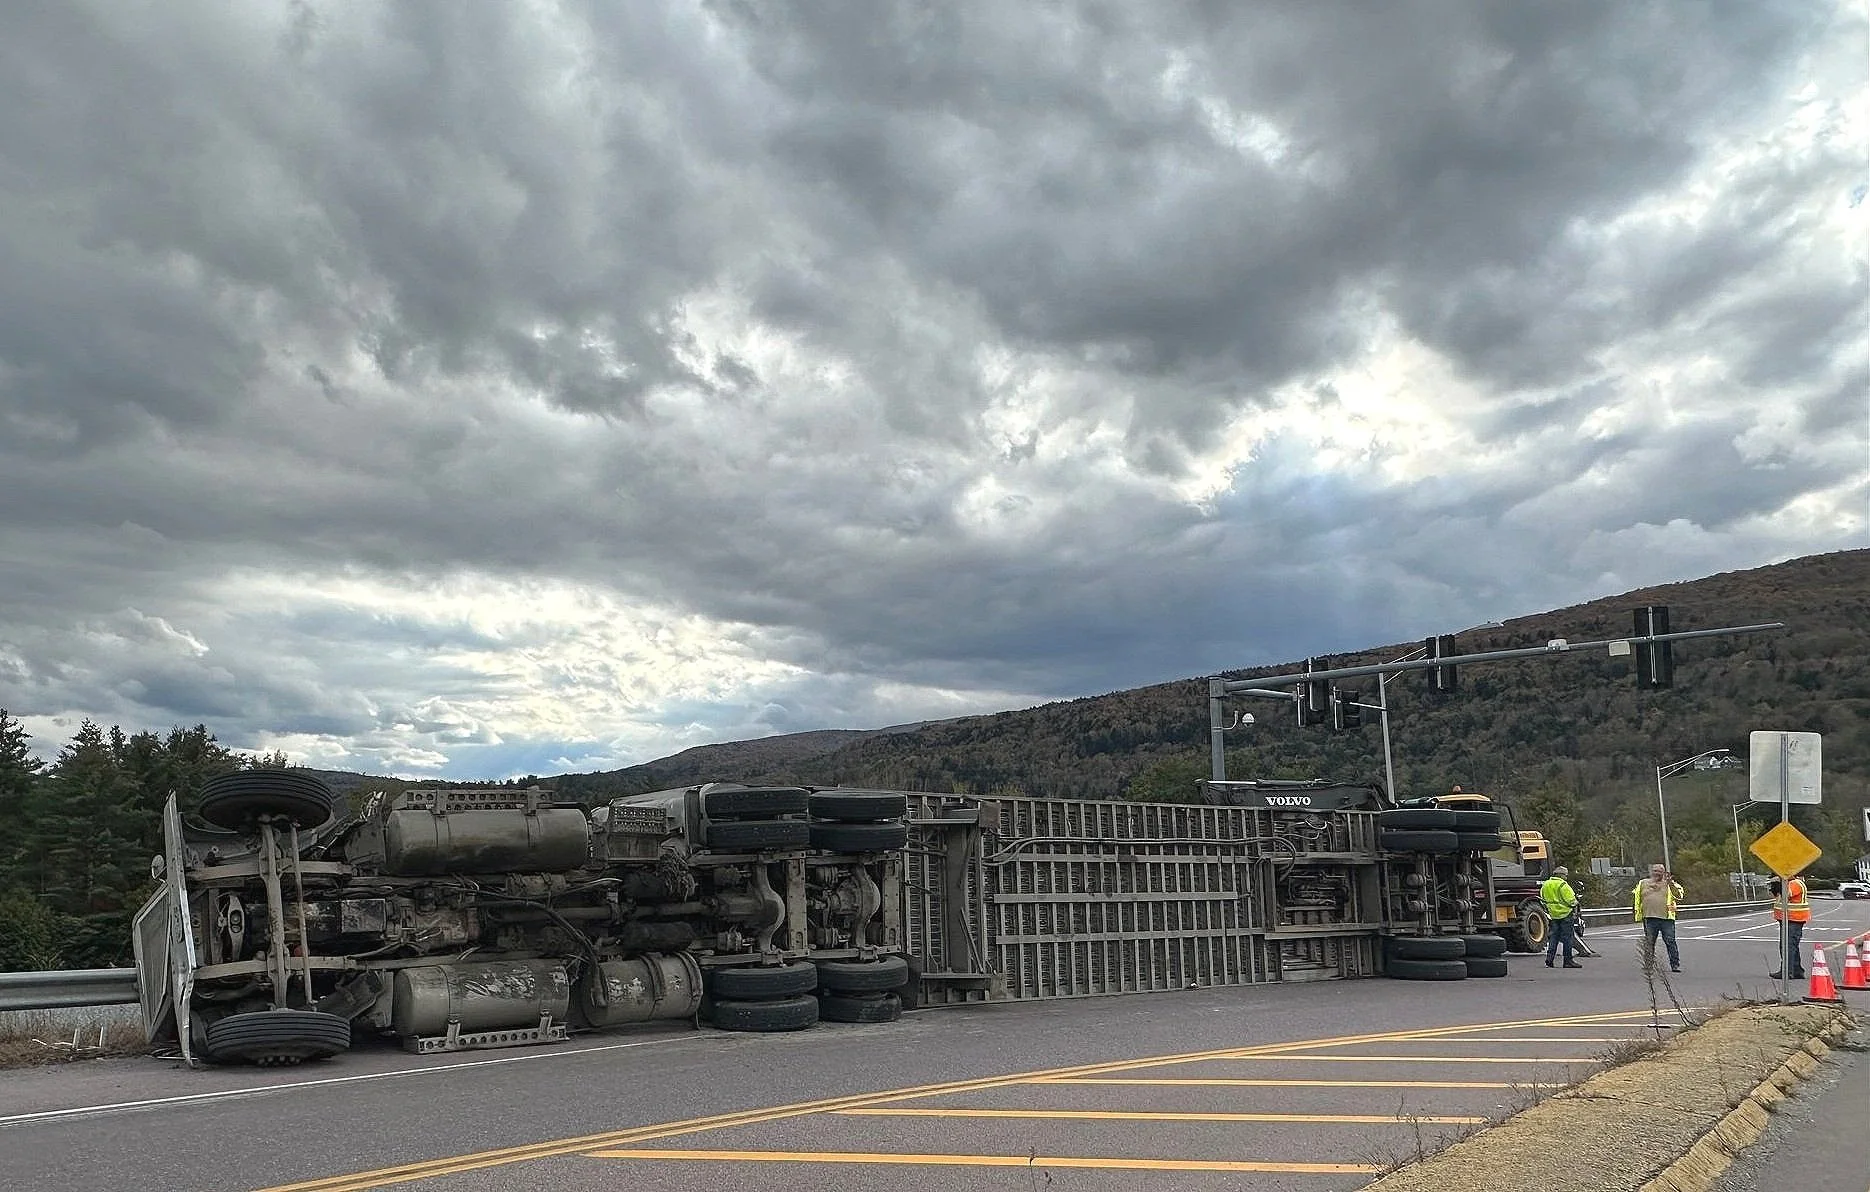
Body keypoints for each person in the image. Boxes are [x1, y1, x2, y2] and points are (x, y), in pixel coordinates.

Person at [1633, 863, 1684, 973]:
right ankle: (1648, 964)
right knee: (1649, 942)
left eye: (1659, 871)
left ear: (1664, 873)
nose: (1657, 873)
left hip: (1666, 918)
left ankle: (1675, 964)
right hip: (1649, 917)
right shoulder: (1643, 883)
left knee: (1670, 941)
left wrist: (1670, 883)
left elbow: (1679, 896)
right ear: (1651, 872)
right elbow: (1637, 898)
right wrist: (1638, 913)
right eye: (1655, 871)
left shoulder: (1670, 884)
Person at [1767, 875, 1811, 980]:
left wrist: (1779, 886)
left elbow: (1787, 894)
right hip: (1789, 919)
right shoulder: (1790, 883)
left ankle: (1787, 972)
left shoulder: (1795, 883)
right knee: (1792, 946)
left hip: (1793, 919)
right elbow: (1780, 897)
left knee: (1787, 946)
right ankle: (1796, 970)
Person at [1541, 865, 1582, 969]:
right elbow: (1571, 901)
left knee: (1553, 937)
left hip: (1553, 914)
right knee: (1567, 938)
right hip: (1565, 914)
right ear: (1561, 875)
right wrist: (1576, 903)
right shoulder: (1563, 885)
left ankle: (1549, 960)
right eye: (1566, 875)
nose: (1566, 877)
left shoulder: (1546, 884)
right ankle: (1568, 960)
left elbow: (1542, 898)